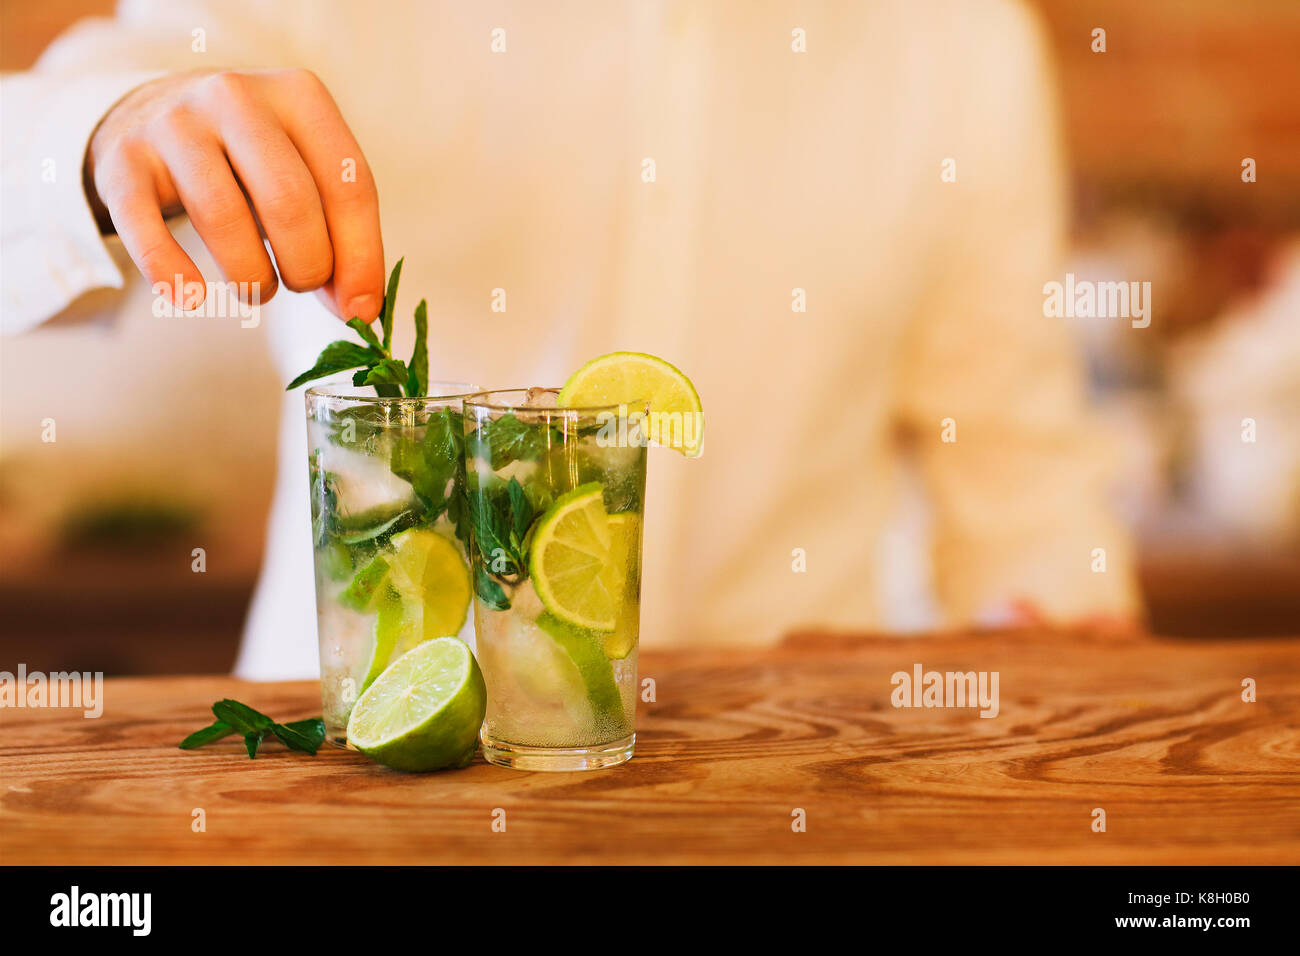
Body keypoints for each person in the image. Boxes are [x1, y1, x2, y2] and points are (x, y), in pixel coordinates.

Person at [1, 0, 1140, 679]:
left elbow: (1014, 463)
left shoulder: (956, 40)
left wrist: (1061, 634)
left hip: (782, 788)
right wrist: (111, 132)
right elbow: (70, 134)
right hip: (364, 765)